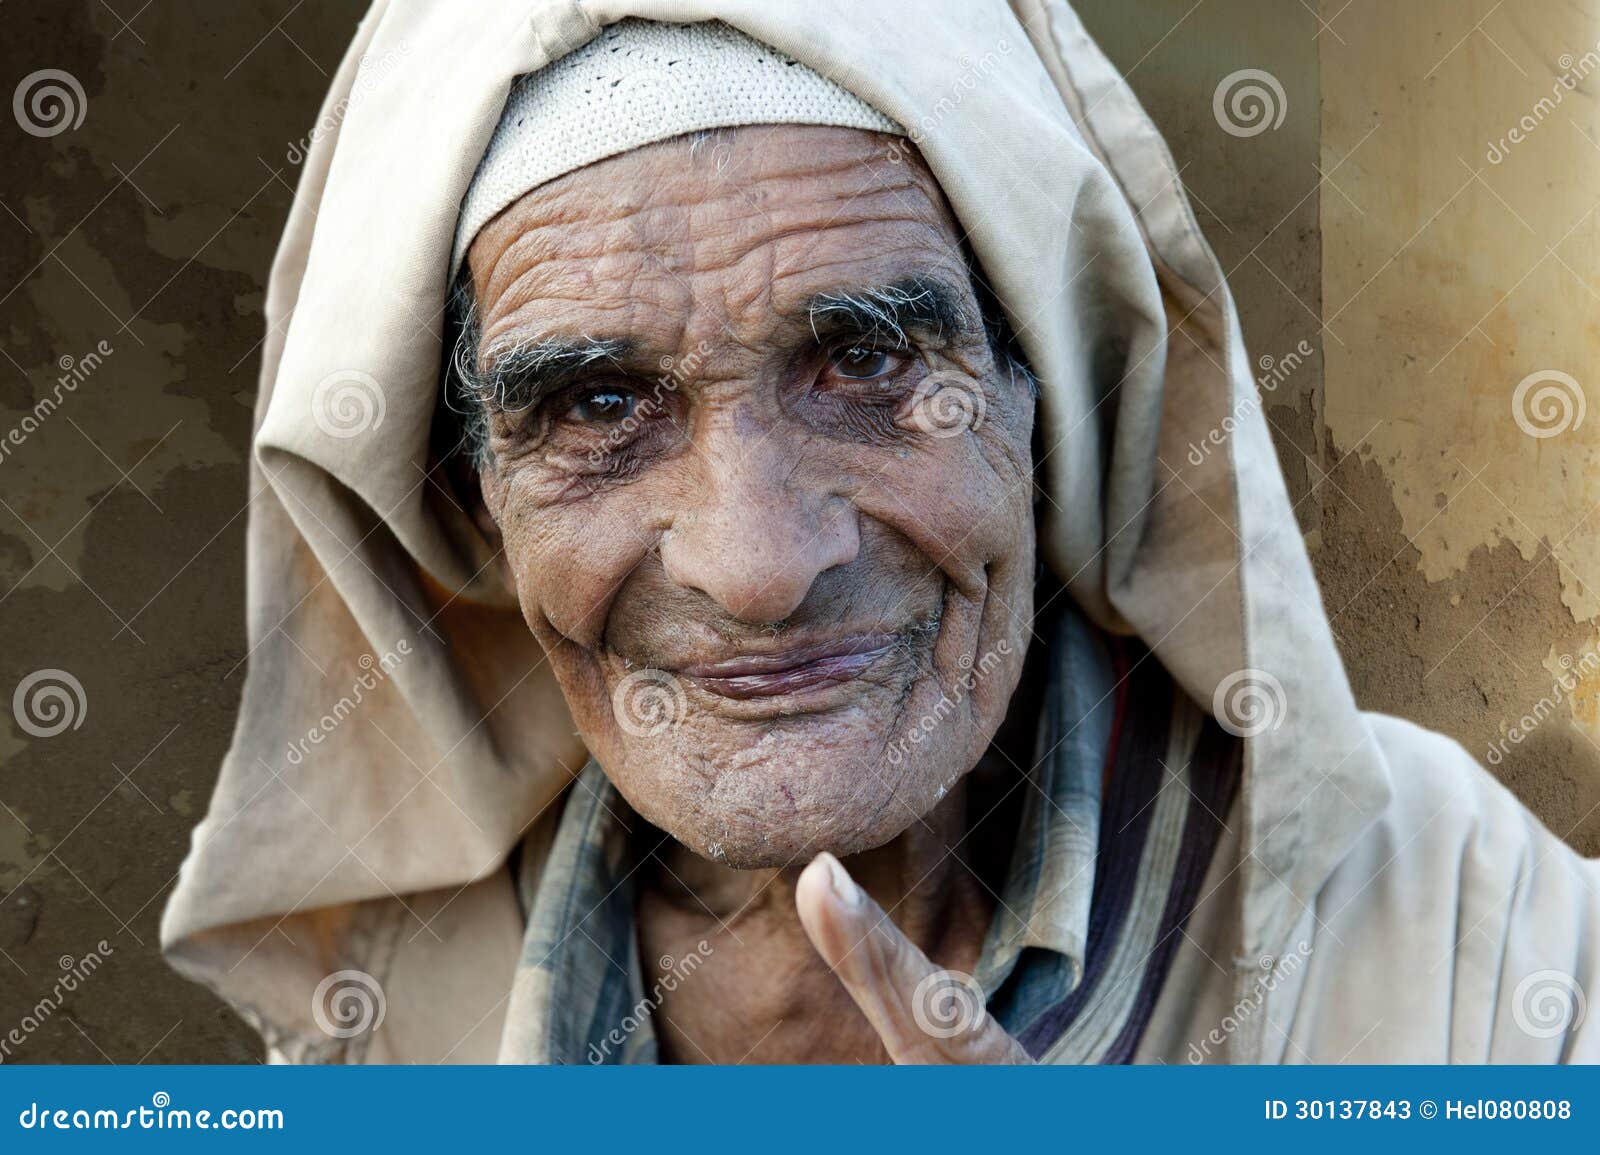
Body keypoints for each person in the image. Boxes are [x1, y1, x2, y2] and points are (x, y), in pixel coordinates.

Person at [163, 3, 1598, 1064]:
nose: (759, 567)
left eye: (864, 362)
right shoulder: (391, 1020)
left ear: (1044, 404)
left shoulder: (1466, 940)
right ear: (471, 501)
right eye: (599, 406)